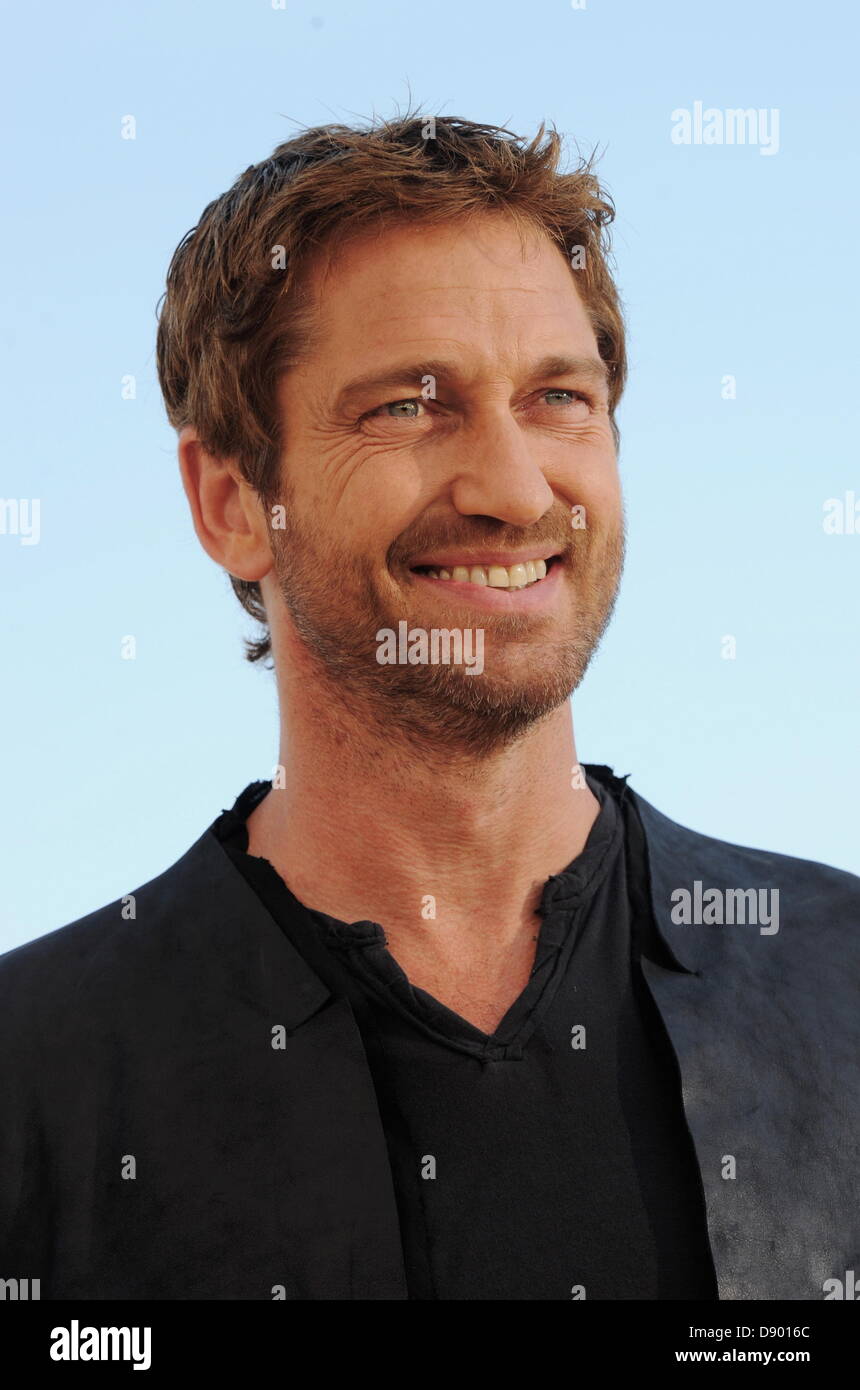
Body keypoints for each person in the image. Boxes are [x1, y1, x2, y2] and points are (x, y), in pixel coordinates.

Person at [1, 114, 857, 1302]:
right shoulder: (33, 1078)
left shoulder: (838, 983)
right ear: (232, 502)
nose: (512, 489)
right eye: (408, 407)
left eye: (558, 398)